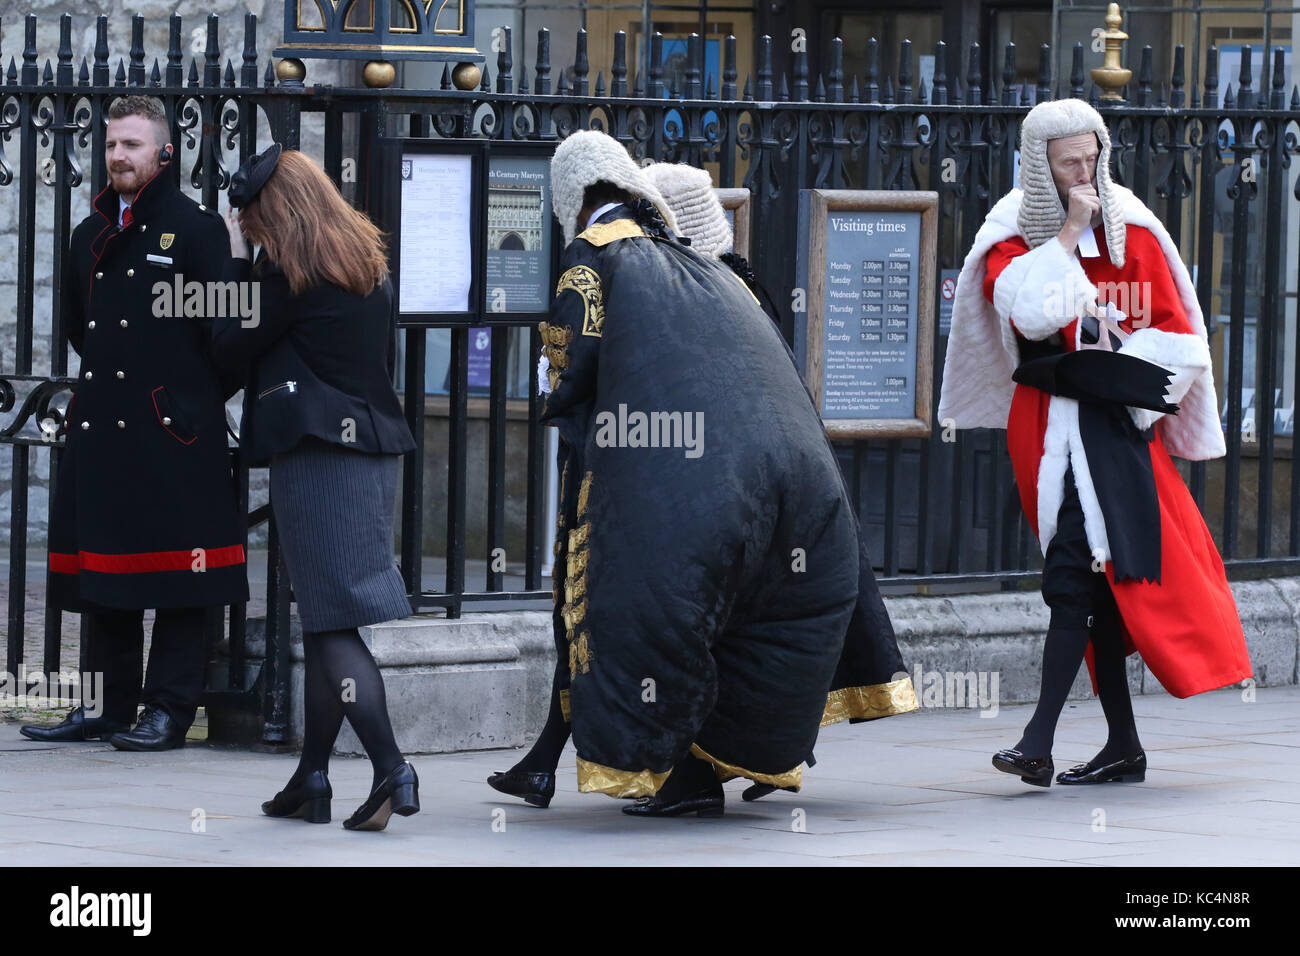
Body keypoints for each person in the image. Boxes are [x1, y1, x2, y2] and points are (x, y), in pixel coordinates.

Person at [491, 130, 861, 818]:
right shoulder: (706, 266)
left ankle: (681, 778)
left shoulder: (595, 257)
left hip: (676, 485)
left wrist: (557, 392)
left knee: (644, 614)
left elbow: (567, 367)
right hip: (791, 479)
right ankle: (700, 763)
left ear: (573, 199)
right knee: (734, 622)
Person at [939, 98, 1252, 787]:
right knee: (1094, 593)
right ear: (1039, 164)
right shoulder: (1010, 233)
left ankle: (1037, 742)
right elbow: (1028, 309)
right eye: (1068, 162)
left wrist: (1124, 376)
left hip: (1113, 428)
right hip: (1046, 427)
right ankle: (1123, 747)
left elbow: (1180, 336)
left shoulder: (1135, 227)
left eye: (1092, 158)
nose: (1085, 173)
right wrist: (1067, 235)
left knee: (1071, 581)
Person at [642, 161, 919, 802]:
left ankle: (721, 765)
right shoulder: (739, 285)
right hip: (786, 493)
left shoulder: (711, 296)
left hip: (747, 498)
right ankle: (763, 755)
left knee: (725, 631)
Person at [23, 95, 247, 751]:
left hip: (175, 435)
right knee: (103, 575)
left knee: (182, 579)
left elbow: (229, 340)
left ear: (165, 154)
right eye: (113, 144)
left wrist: (178, 403)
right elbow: (75, 331)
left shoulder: (198, 231)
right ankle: (106, 708)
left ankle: (169, 713)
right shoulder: (86, 234)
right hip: (101, 433)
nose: (118, 155)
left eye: (133, 145)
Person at [215, 144, 419, 830]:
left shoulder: (289, 283)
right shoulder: (364, 268)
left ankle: (393, 766)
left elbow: (224, 342)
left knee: (330, 624)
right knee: (330, 616)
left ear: (276, 213)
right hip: (372, 450)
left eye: (253, 219)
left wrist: (235, 261)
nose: (250, 229)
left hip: (320, 455)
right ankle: (313, 776)